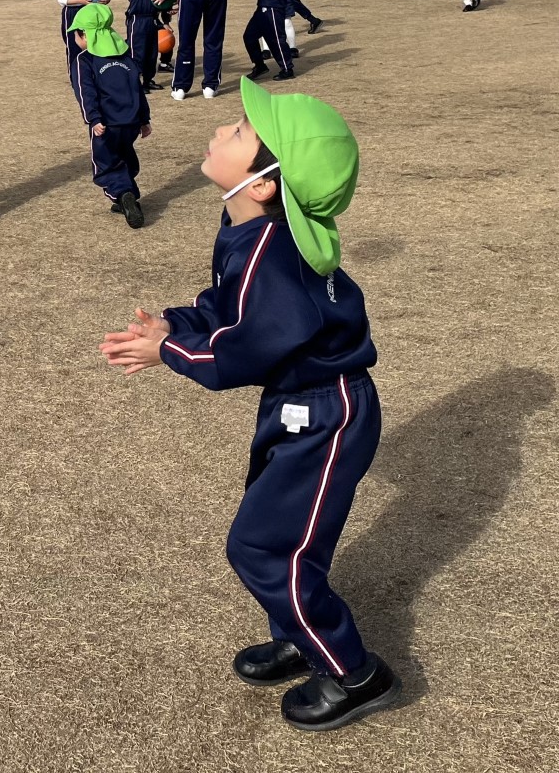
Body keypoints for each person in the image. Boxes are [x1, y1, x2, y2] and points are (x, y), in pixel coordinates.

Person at [97, 76, 401, 732]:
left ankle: (354, 672)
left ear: (262, 183)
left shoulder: (274, 253)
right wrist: (175, 326)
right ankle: (299, 634)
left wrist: (170, 354)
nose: (219, 131)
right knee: (282, 536)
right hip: (297, 409)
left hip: (327, 415)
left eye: (237, 133)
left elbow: (249, 348)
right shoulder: (248, 229)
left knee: (264, 548)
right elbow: (226, 310)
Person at [68, 3, 151, 229]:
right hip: (131, 122)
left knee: (106, 163)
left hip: (106, 124)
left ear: (85, 34)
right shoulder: (126, 55)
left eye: (77, 33)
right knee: (125, 155)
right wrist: (144, 119)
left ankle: (124, 194)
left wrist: (93, 119)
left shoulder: (84, 60)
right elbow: (137, 88)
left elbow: (85, 92)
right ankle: (124, 197)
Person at [124, 0, 164, 92]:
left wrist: (169, 7)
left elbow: (160, 1)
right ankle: (136, 82)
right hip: (137, 22)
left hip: (150, 22)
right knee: (138, 53)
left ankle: (148, 80)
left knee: (151, 53)